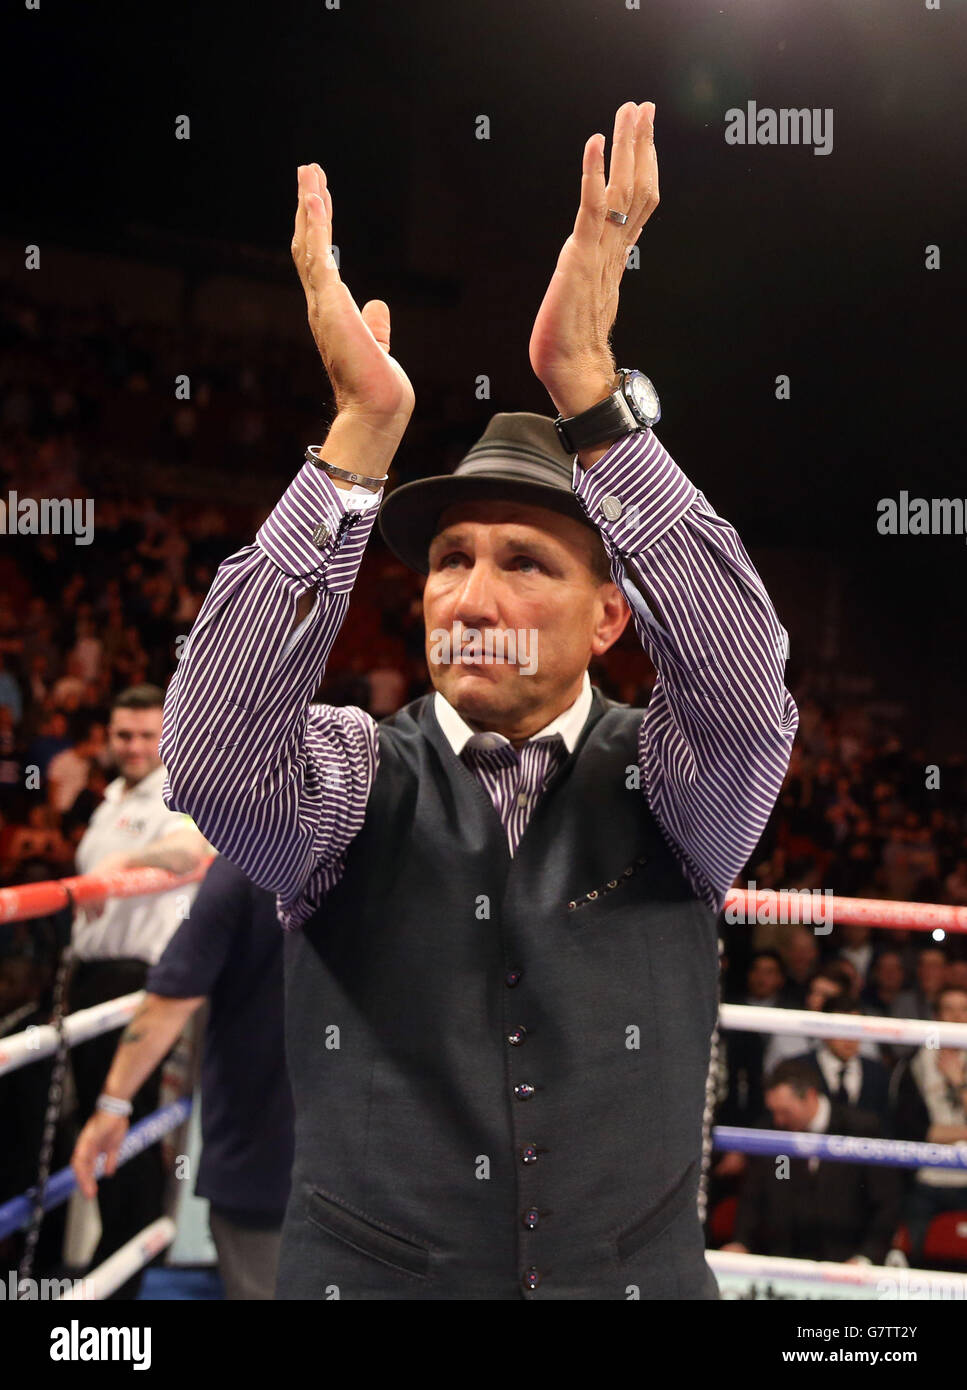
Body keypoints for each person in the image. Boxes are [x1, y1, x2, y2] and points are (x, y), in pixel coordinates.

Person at [161, 104, 798, 1300]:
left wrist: (594, 400)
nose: (469, 591)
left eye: (526, 559)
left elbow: (745, 697)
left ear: (610, 615)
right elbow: (209, 758)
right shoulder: (350, 776)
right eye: (449, 557)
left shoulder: (673, 787)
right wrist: (357, 440)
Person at [71, 855, 294, 1300]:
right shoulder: (408, 844)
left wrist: (112, 1104)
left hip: (264, 1163)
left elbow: (173, 997)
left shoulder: (249, 863)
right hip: (392, 1170)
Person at [67, 683, 210, 1298]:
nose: (133, 746)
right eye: (123, 735)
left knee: (125, 1123)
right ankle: (101, 1258)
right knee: (90, 1123)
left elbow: (192, 848)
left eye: (147, 734)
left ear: (167, 734)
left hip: (138, 983)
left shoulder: (179, 789)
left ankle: (125, 1268)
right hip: (90, 978)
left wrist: (118, 871)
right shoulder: (107, 800)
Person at [723, 1060, 900, 1264]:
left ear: (810, 1096)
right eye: (774, 1112)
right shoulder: (772, 1131)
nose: (779, 1120)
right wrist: (741, 1243)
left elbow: (887, 1204)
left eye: (785, 1112)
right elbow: (752, 1198)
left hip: (845, 1262)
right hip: (785, 1263)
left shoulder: (861, 1129)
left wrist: (864, 1258)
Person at [891, 985, 967, 1265]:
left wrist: (958, 1081)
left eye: (964, 1010)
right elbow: (915, 1132)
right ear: (936, 1016)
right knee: (916, 1255)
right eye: (949, 1009)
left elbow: (933, 1133)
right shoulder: (914, 1063)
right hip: (926, 1181)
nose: (957, 1017)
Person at [788, 995, 891, 1130]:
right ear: (823, 1031)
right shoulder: (799, 1068)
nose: (849, 1038)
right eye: (841, 1029)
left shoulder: (877, 1072)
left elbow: (886, 1125)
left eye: (856, 1029)